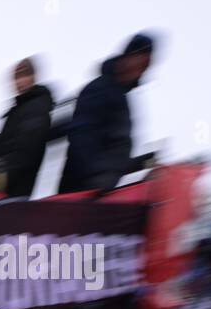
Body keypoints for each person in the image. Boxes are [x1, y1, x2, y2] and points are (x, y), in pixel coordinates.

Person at [58, 33, 157, 194]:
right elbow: (81, 136)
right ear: (128, 57)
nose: (141, 70)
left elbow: (116, 153)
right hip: (84, 191)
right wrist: (96, 178)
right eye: (141, 61)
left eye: (146, 67)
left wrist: (143, 163)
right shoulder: (101, 88)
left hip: (103, 188)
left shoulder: (120, 97)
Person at [0, 58, 53, 198]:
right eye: (16, 78)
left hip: (14, 188)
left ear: (33, 78)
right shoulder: (19, 108)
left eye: (24, 76)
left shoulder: (35, 107)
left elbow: (27, 151)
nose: (19, 82)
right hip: (8, 186)